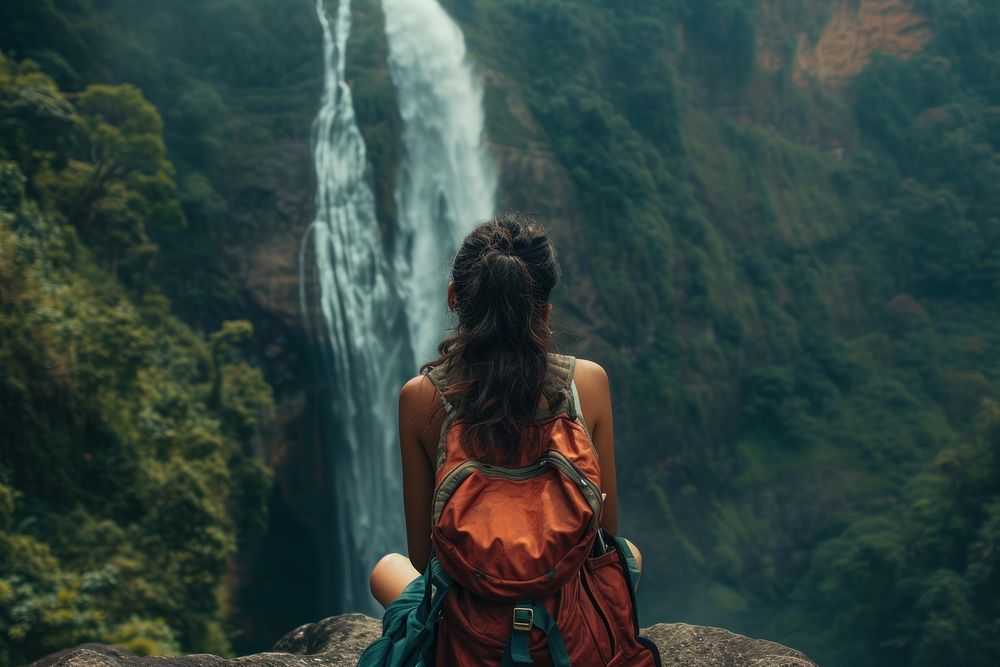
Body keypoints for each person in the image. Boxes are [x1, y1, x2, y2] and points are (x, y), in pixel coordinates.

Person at [368, 213, 644, 661]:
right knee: (629, 552)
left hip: (470, 635)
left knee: (386, 570)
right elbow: (605, 533)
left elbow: (423, 557)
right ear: (546, 311)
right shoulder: (587, 384)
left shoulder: (420, 399)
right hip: (566, 628)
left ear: (454, 298)